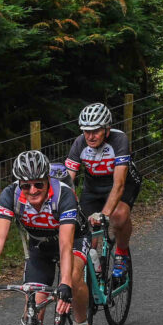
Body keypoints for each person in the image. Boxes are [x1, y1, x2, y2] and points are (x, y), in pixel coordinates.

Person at [0, 149, 86, 325]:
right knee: (31, 313)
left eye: (38, 184)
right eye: (26, 185)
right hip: (40, 246)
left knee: (75, 278)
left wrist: (65, 284)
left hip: (73, 240)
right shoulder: (10, 195)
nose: (32, 190)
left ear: (47, 180)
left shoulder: (63, 194)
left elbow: (65, 243)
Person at [62, 102, 138, 283]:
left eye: (95, 131)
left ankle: (121, 254)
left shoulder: (119, 140)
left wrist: (104, 214)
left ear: (107, 129)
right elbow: (66, 181)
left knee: (118, 216)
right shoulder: (79, 143)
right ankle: (95, 273)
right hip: (93, 187)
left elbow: (119, 185)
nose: (90, 136)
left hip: (122, 183)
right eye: (86, 131)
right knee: (89, 236)